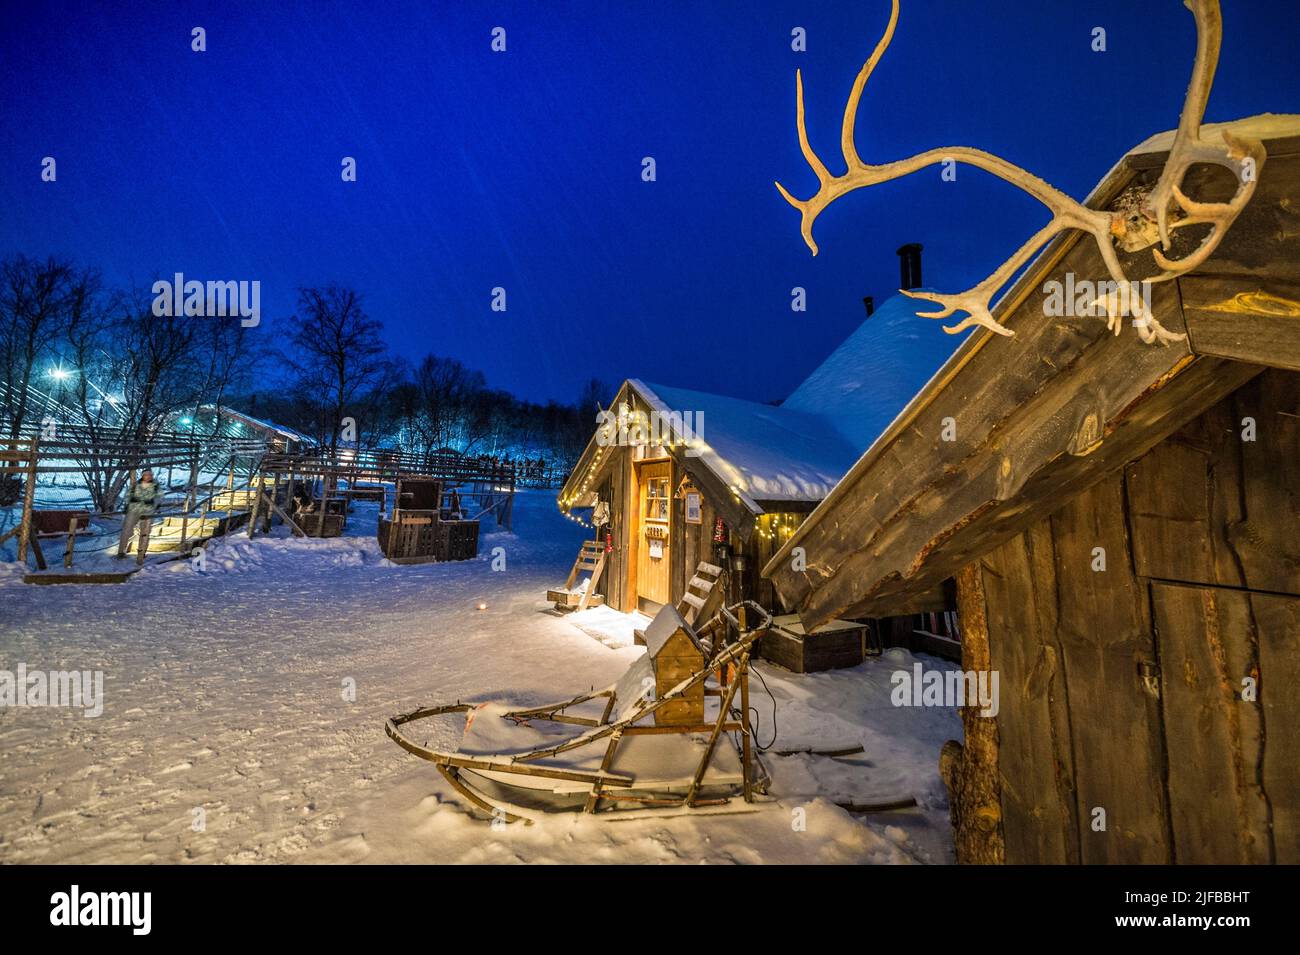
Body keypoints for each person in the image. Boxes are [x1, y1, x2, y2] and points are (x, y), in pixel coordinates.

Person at [117, 469, 162, 557]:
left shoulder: (156, 486)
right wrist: (127, 505)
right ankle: (121, 551)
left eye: (150, 475)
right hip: (133, 510)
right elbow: (128, 495)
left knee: (145, 532)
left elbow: (159, 498)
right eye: (146, 475)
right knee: (126, 530)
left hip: (147, 511)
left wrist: (153, 504)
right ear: (142, 475)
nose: (148, 476)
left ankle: (141, 552)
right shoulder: (135, 485)